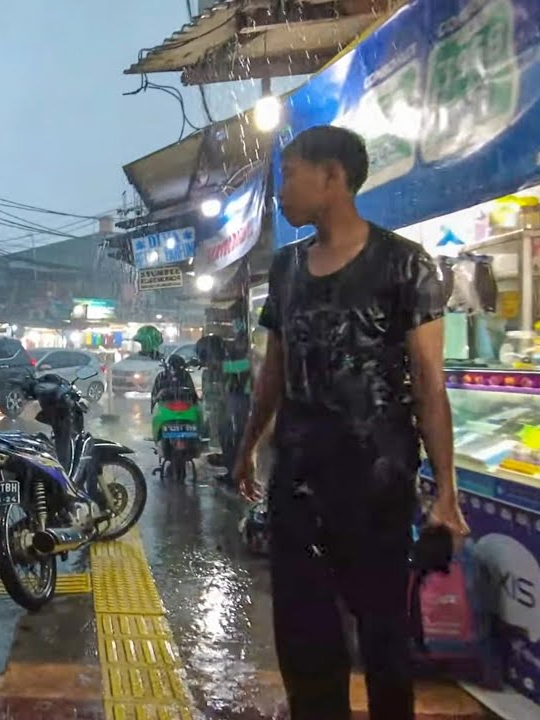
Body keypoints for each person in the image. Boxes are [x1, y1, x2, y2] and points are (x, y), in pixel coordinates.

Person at [233, 125, 469, 720]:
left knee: (384, 636)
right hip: (298, 482)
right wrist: (248, 446)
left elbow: (428, 382)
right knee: (305, 636)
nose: (280, 191)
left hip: (377, 483)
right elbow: (274, 372)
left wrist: (446, 492)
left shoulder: (404, 263)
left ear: (333, 177)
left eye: (289, 174)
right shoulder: (285, 269)